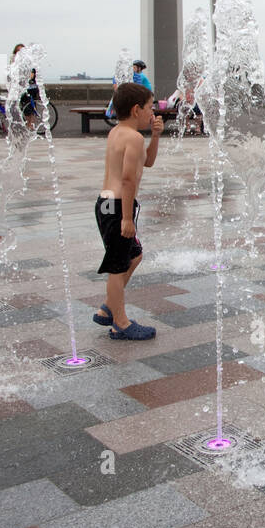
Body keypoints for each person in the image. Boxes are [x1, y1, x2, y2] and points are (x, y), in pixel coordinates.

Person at [93, 82, 163, 340]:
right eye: (149, 107)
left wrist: (155, 136)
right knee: (118, 264)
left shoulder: (119, 133)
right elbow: (127, 180)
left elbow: (149, 162)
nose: (152, 112)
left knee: (134, 255)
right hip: (117, 206)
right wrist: (126, 218)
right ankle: (119, 322)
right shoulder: (132, 137)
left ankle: (108, 308)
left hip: (108, 203)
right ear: (136, 110)